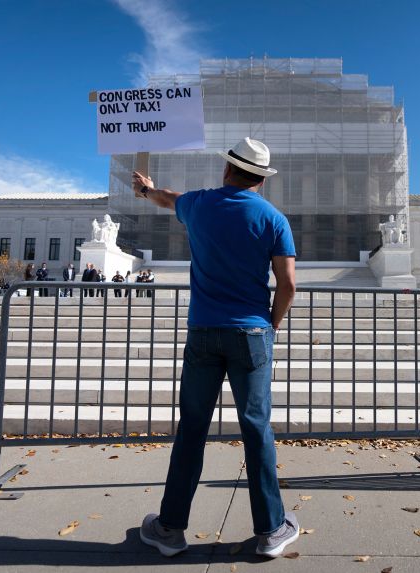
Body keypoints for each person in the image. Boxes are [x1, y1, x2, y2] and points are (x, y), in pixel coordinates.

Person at [133, 138, 298, 559]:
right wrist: (270, 326)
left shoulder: (201, 204)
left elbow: (167, 199)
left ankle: (170, 529)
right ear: (262, 179)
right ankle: (270, 530)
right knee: (256, 429)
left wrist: (147, 188)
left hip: (203, 330)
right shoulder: (274, 219)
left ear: (227, 170)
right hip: (252, 333)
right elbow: (288, 285)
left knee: (192, 429)